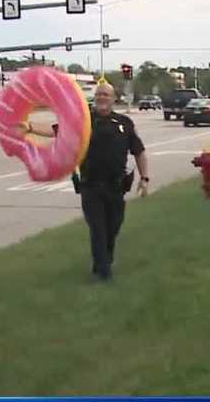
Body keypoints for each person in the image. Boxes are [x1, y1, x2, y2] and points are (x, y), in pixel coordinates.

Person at [21, 82, 149, 281]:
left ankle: (103, 262)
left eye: (106, 94)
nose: (102, 98)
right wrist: (29, 127)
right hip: (91, 186)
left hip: (116, 187)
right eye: (98, 94)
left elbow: (139, 151)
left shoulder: (124, 123)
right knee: (98, 229)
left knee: (112, 228)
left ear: (114, 99)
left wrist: (145, 178)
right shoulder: (83, 121)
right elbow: (56, 130)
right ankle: (104, 273)